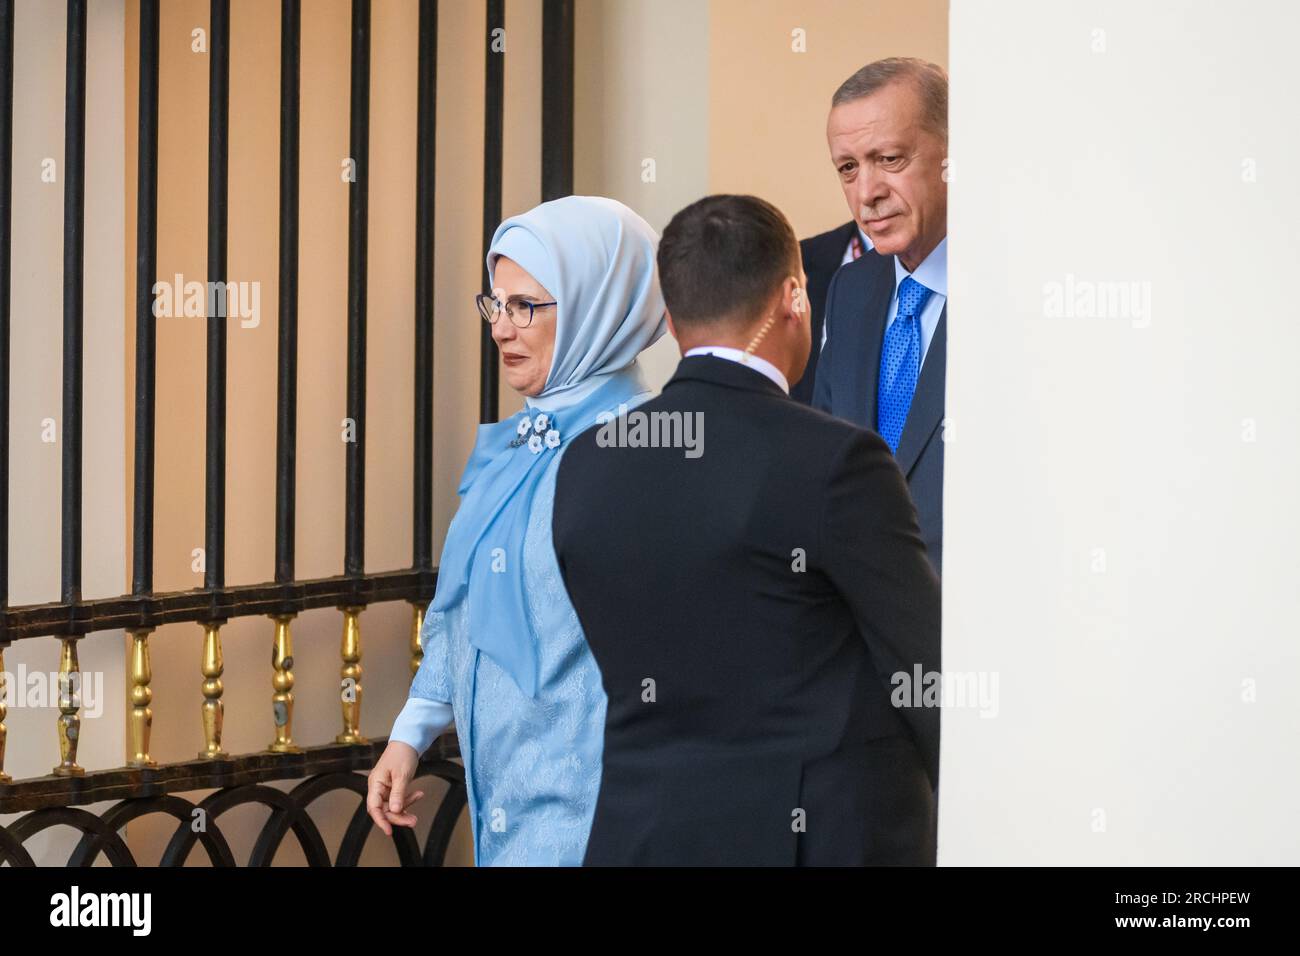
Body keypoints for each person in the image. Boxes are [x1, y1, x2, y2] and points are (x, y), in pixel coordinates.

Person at [553, 194, 941, 866]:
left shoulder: (588, 464)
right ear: (794, 297)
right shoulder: (837, 462)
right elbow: (925, 674)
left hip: (639, 839)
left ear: (673, 321)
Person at [366, 195, 667, 865]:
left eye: (525, 306)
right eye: (494, 305)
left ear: (600, 308)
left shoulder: (639, 454)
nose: (501, 328)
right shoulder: (517, 447)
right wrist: (410, 735)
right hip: (508, 799)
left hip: (596, 813)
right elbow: (464, 606)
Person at [813, 58, 949, 574]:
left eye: (889, 158)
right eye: (847, 168)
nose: (866, 192)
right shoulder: (851, 288)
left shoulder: (1012, 291)